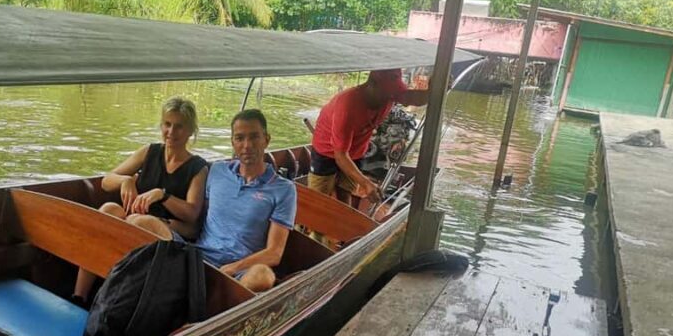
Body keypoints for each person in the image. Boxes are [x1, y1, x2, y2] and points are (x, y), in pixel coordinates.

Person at [73, 97, 208, 301]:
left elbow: (191, 214)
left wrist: (162, 195)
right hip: (133, 220)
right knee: (109, 208)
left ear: (190, 131)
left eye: (179, 126)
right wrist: (126, 181)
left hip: (164, 230)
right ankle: (79, 295)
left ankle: (111, 298)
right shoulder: (149, 152)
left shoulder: (197, 167)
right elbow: (106, 181)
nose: (171, 132)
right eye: (167, 124)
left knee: (139, 221)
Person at [194, 109, 297, 292]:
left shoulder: (284, 189)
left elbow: (274, 253)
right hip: (200, 256)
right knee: (144, 223)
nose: (247, 145)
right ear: (232, 142)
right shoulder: (217, 171)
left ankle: (221, 314)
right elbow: (201, 218)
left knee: (263, 275)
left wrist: (233, 268)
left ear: (267, 139)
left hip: (242, 270)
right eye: (240, 138)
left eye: (254, 137)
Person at [310, 68, 429, 203]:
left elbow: (412, 98)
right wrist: (366, 183)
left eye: (394, 94)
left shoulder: (389, 94)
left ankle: (344, 219)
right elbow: (341, 155)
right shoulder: (348, 105)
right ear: (373, 84)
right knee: (318, 197)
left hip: (356, 150)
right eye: (388, 93)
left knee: (345, 191)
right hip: (327, 149)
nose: (392, 98)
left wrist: (433, 91)